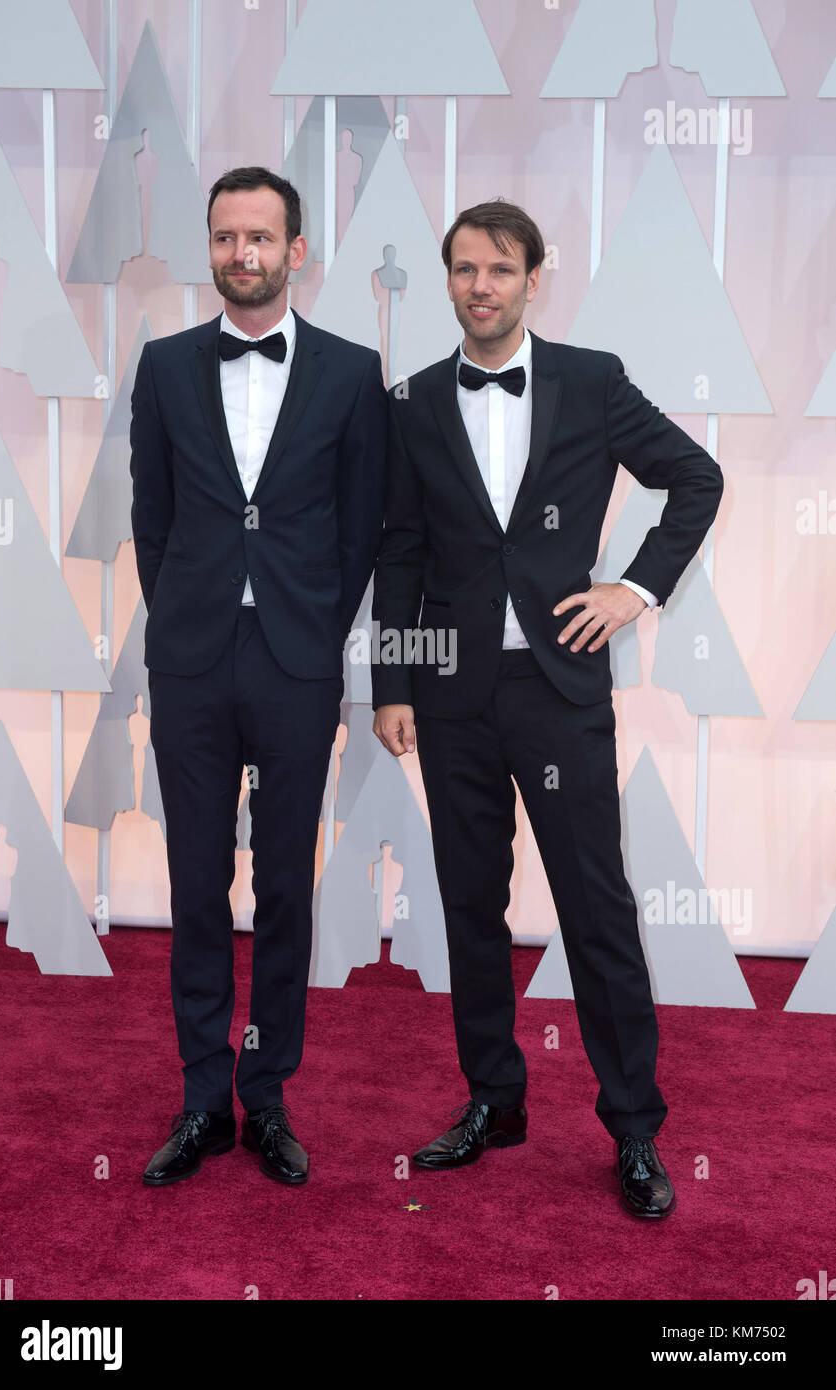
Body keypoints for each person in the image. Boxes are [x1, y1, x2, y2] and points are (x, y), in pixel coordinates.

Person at [371, 199, 723, 1219]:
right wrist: (395, 680)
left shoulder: (590, 380)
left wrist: (634, 590)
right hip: (451, 696)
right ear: (449, 281)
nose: (480, 285)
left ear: (534, 278)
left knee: (595, 906)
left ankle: (635, 1129)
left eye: (499, 269)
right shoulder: (413, 400)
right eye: (464, 269)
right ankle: (493, 1100)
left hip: (560, 692)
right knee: (470, 902)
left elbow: (694, 478)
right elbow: (402, 547)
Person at [130, 167, 387, 1187]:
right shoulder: (161, 366)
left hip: (295, 661)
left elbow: (362, 518)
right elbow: (153, 518)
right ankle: (202, 1102)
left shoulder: (350, 371)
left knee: (283, 885)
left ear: (297, 252)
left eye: (261, 237)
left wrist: (313, 624)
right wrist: (187, 609)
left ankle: (266, 1093)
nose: (243, 254)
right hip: (190, 660)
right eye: (226, 237)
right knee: (197, 884)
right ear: (211, 248)